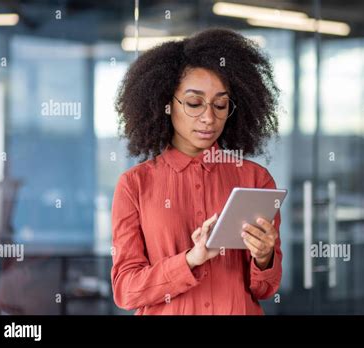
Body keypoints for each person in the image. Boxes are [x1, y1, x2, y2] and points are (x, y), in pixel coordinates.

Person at [111, 28, 282, 315]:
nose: (208, 117)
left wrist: (264, 257)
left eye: (220, 104)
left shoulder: (255, 179)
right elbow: (126, 290)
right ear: (167, 104)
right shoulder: (134, 185)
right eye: (193, 103)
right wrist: (190, 260)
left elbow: (265, 289)